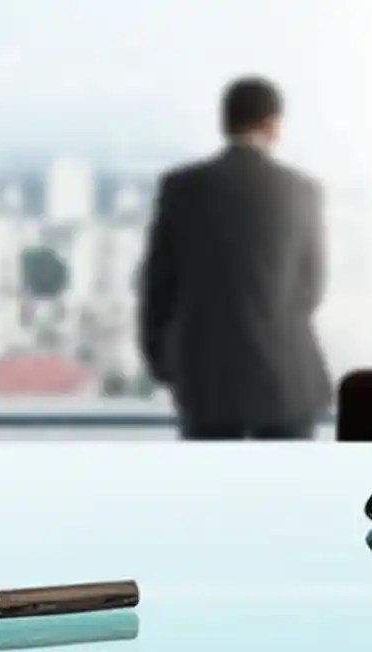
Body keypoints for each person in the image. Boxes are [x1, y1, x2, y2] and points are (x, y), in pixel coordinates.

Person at [137, 76, 330, 440]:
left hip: (207, 381)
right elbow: (311, 289)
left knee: (212, 491)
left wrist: (163, 363)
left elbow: (158, 288)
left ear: (225, 122)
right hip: (286, 380)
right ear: (273, 123)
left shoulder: (181, 188)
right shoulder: (302, 191)